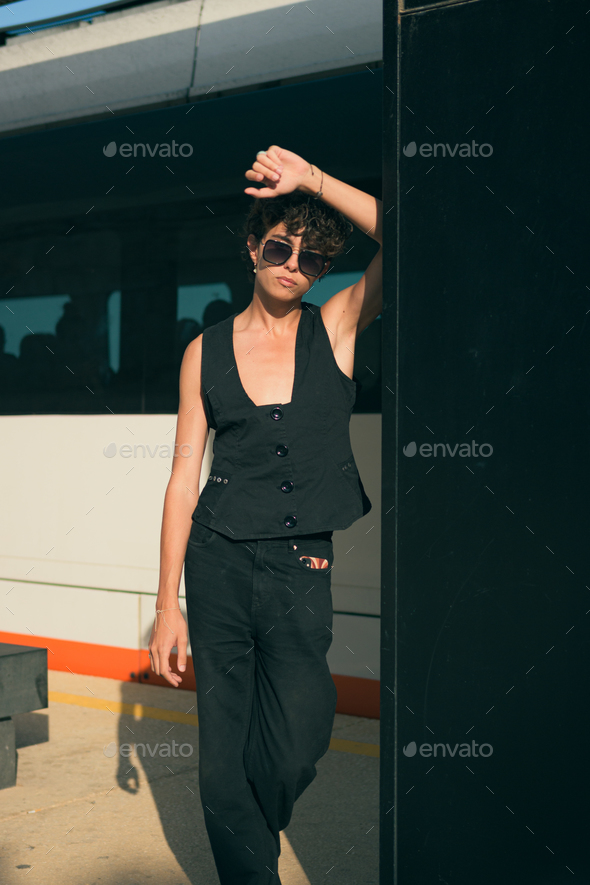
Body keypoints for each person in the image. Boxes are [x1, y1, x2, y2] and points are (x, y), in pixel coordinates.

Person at [148, 145, 382, 884]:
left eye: (312, 259)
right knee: (222, 768)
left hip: (297, 567)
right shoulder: (203, 351)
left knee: (293, 742)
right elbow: (185, 475)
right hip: (215, 563)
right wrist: (165, 604)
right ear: (253, 246)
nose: (293, 264)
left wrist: (313, 180)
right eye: (280, 247)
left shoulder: (337, 325)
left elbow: (423, 231)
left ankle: (252, 823)